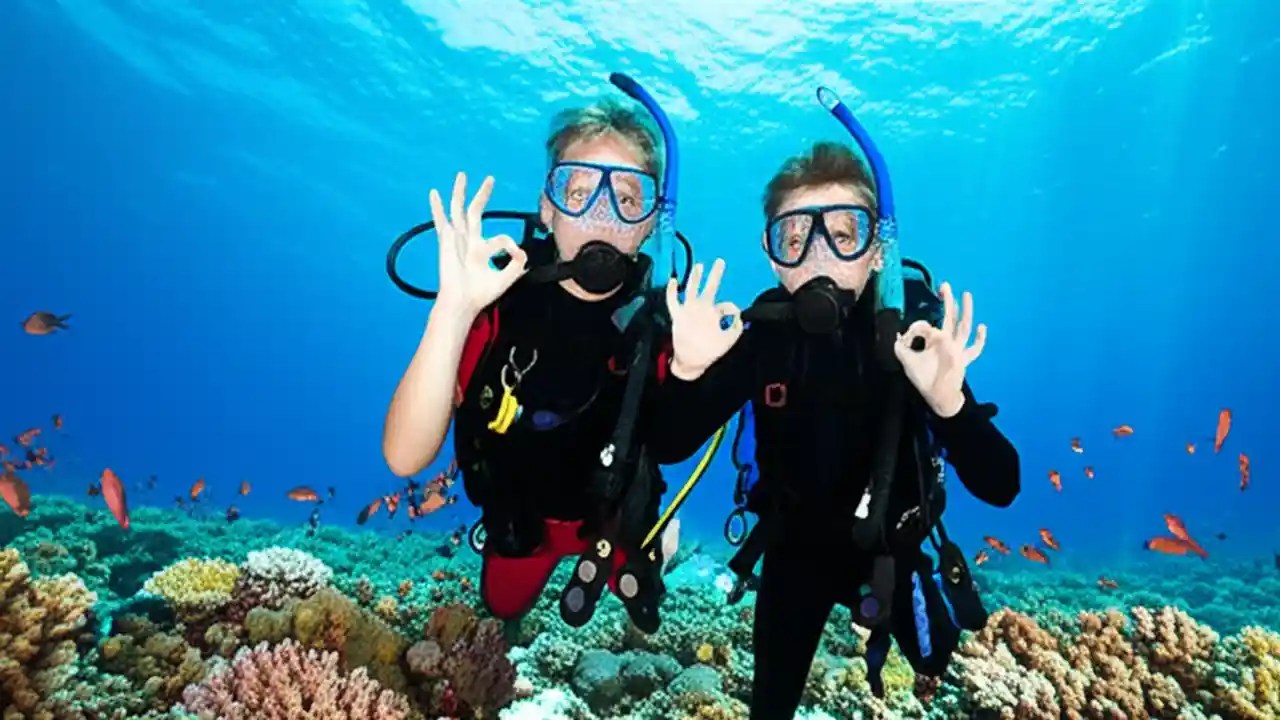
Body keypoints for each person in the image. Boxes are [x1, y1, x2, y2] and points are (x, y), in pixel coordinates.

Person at [647, 140, 1021, 718]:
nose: (818, 255)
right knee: (769, 709)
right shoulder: (763, 340)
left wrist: (951, 406)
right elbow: (669, 445)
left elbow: (1002, 485)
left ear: (877, 252)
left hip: (889, 552)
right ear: (775, 261)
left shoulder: (911, 342)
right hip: (794, 550)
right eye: (794, 239)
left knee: (935, 659)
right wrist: (689, 371)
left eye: (843, 234)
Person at [382, 94, 694, 634]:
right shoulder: (496, 303)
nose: (602, 215)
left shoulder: (669, 325)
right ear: (547, 209)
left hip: (614, 520)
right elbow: (404, 459)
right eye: (579, 191)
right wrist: (453, 311)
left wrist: (693, 368)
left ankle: (660, 543)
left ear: (650, 224)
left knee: (647, 602)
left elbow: (679, 435)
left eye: (627, 197)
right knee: (503, 608)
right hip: (520, 520)